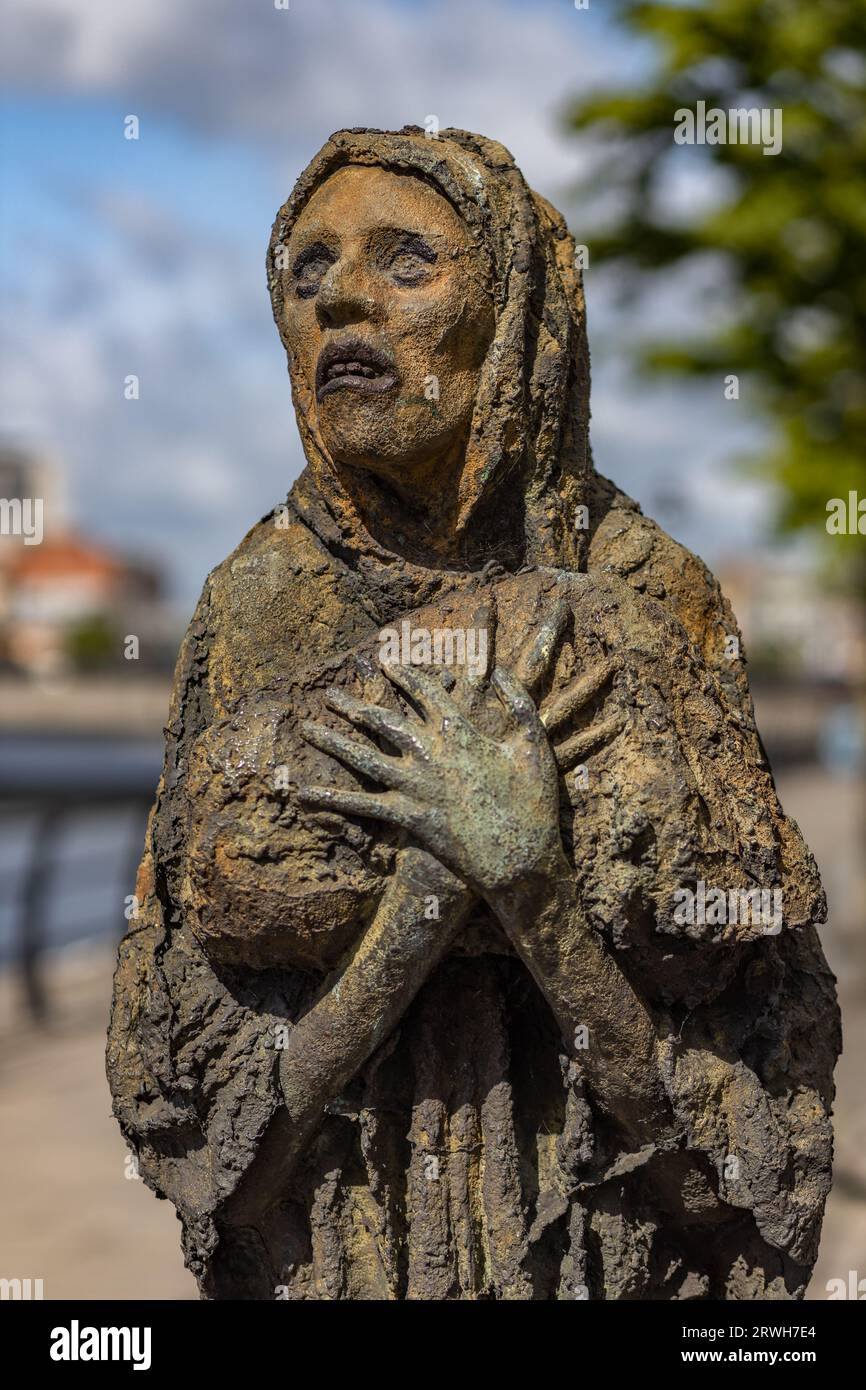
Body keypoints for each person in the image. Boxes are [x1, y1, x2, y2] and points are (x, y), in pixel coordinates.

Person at [108, 127, 840, 1300]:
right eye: (307, 271)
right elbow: (214, 1158)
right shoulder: (255, 605)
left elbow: (738, 1178)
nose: (342, 296)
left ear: (514, 318)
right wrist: (426, 901)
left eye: (407, 261)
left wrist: (536, 893)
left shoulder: (647, 598)